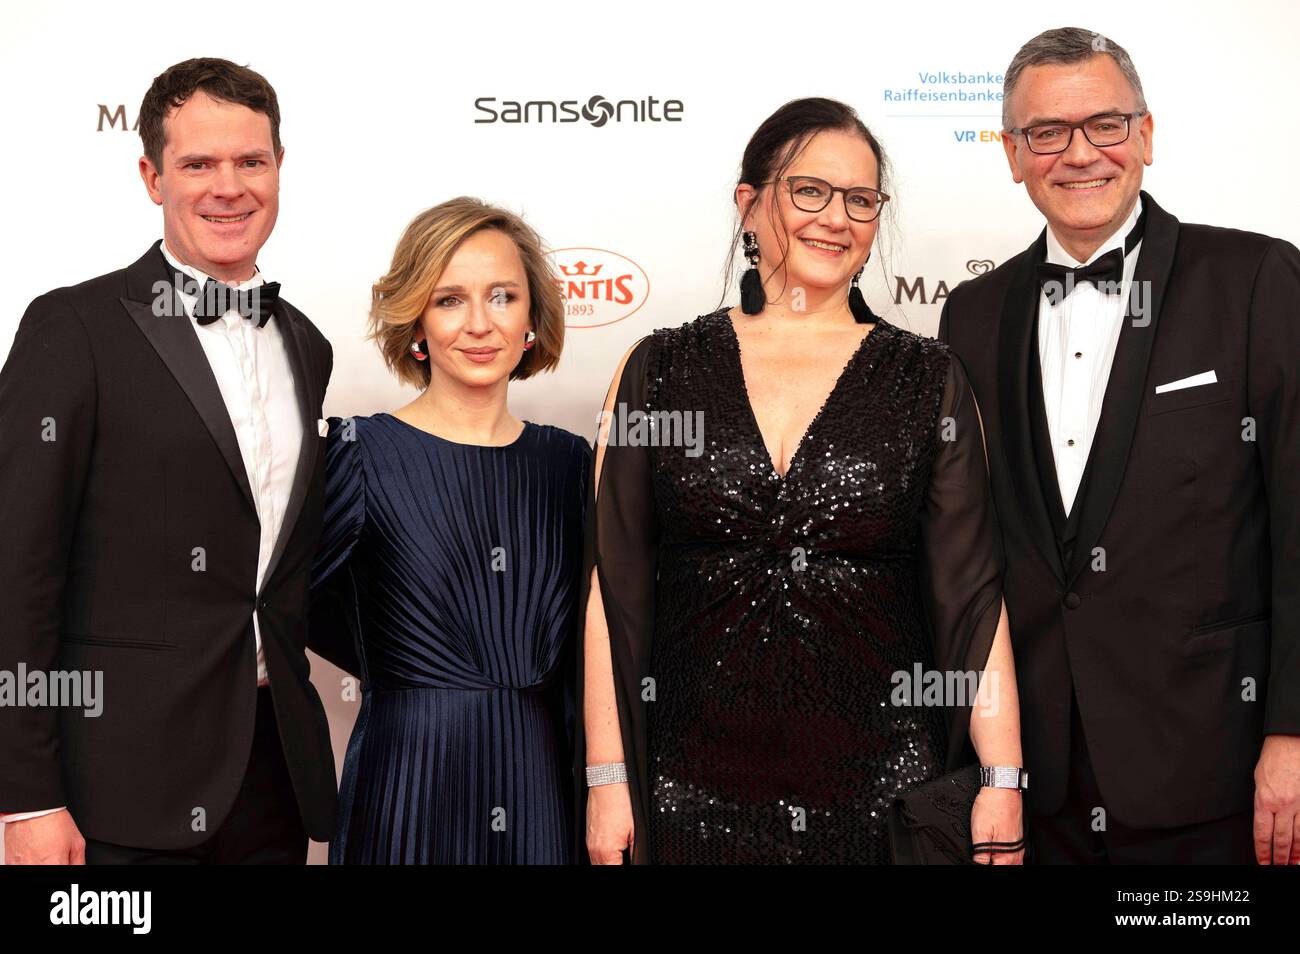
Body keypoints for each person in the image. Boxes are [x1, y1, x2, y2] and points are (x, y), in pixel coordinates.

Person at [577, 97, 1026, 864]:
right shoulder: (659, 370)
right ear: (750, 204)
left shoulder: (927, 380)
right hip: (689, 790)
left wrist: (1003, 777)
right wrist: (608, 778)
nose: (836, 219)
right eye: (810, 191)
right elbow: (610, 589)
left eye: (860, 200)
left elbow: (973, 595)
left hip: (882, 789)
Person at [940, 27, 1300, 864]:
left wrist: (1292, 733)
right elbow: (971, 550)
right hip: (1038, 779)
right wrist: (993, 766)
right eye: (1047, 132)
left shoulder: (1255, 280)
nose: (1079, 154)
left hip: (1215, 768)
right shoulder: (973, 314)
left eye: (1104, 124)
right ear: (1013, 153)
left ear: (1145, 135)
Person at [0, 58, 349, 864]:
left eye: (250, 161)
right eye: (198, 164)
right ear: (153, 178)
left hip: (272, 777)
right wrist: (27, 797)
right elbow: (16, 572)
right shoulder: (73, 329)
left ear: (279, 167)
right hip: (114, 792)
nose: (228, 187)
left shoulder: (306, 344)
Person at [311, 198, 590, 864]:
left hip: (540, 778)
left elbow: (603, 635)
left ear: (532, 318)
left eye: (502, 296)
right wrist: (411, 668)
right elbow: (284, 603)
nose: (480, 324)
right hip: (409, 776)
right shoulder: (357, 452)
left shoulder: (570, 463)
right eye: (449, 300)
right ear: (417, 321)